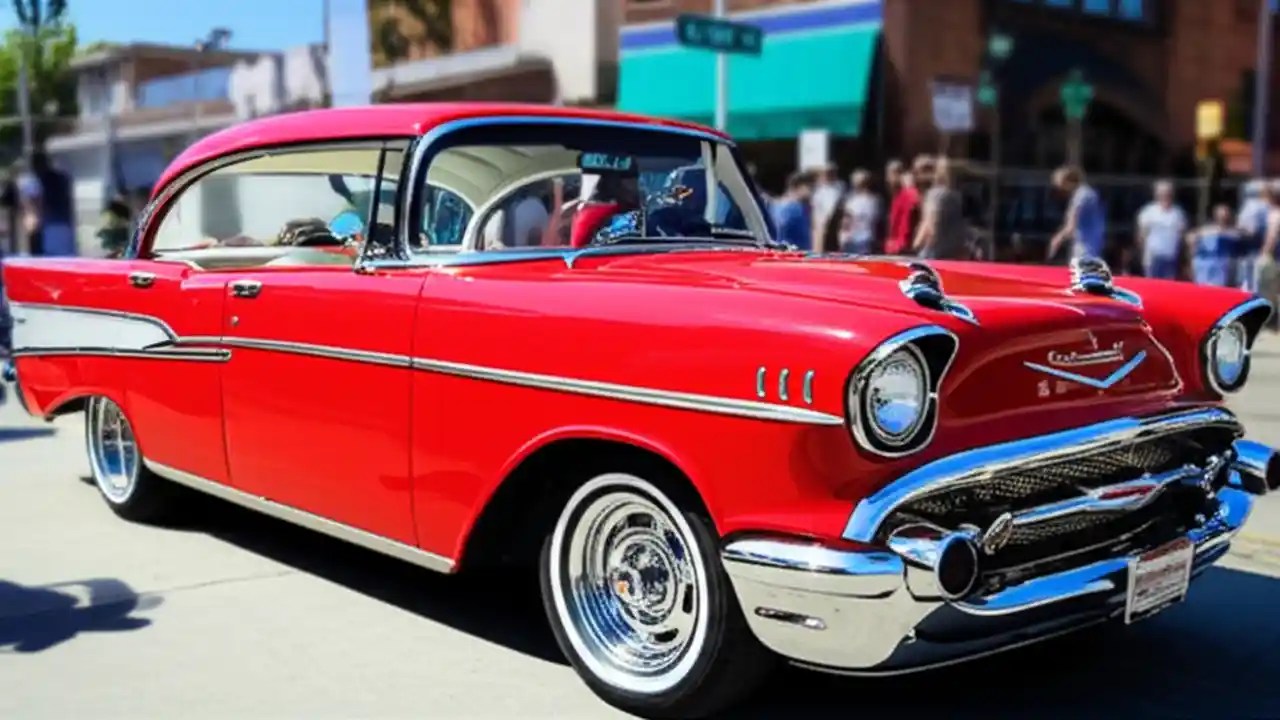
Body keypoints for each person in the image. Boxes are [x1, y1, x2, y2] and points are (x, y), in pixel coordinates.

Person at [16, 151, 76, 257]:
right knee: (66, 259)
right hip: (65, 225)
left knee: (51, 260)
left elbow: (34, 204)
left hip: (49, 226)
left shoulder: (35, 181)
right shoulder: (63, 178)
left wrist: (32, 220)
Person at [1047, 165, 1106, 265]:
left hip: (1085, 249)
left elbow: (1071, 225)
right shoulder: (1088, 193)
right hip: (1092, 246)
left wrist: (1057, 240)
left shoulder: (1081, 195)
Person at [913, 157, 969, 259]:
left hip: (934, 253)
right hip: (952, 254)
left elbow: (930, 223)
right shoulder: (956, 196)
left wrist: (916, 245)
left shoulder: (935, 195)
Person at [1135, 179, 1187, 280]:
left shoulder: (1178, 213)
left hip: (1171, 257)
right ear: (1156, 194)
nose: (1165, 195)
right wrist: (1144, 256)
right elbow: (1141, 235)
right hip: (1153, 257)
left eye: (1168, 192)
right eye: (1162, 192)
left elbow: (1181, 236)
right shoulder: (1148, 212)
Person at [1187, 204, 1239, 287]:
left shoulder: (1233, 233)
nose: (1223, 219)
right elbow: (1191, 237)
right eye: (1221, 216)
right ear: (1216, 216)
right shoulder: (1208, 230)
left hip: (1222, 266)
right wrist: (1193, 250)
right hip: (1205, 265)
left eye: (1225, 216)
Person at [1236, 179, 1270, 291]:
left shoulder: (1253, 206)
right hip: (1254, 247)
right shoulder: (1258, 206)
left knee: (1250, 280)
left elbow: (1251, 229)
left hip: (1253, 246)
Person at [838, 169, 879, 254]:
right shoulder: (873, 200)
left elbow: (846, 222)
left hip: (862, 240)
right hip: (859, 240)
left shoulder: (853, 201)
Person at [771, 172, 813, 250]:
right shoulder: (797, 209)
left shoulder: (775, 205)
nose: (810, 191)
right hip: (797, 253)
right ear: (798, 187)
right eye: (808, 187)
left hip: (779, 250)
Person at [1258, 180, 1280, 331]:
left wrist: (1265, 253)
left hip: (1275, 256)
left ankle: (1273, 322)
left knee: (1271, 288)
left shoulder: (1274, 214)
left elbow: (1272, 236)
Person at [885, 168, 921, 255]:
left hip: (902, 243)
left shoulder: (908, 193)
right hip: (897, 244)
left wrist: (910, 187)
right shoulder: (899, 196)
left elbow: (915, 205)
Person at [809, 162, 844, 251]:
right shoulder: (818, 189)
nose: (826, 176)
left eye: (830, 173)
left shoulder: (838, 188)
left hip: (831, 225)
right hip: (818, 224)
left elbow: (833, 208)